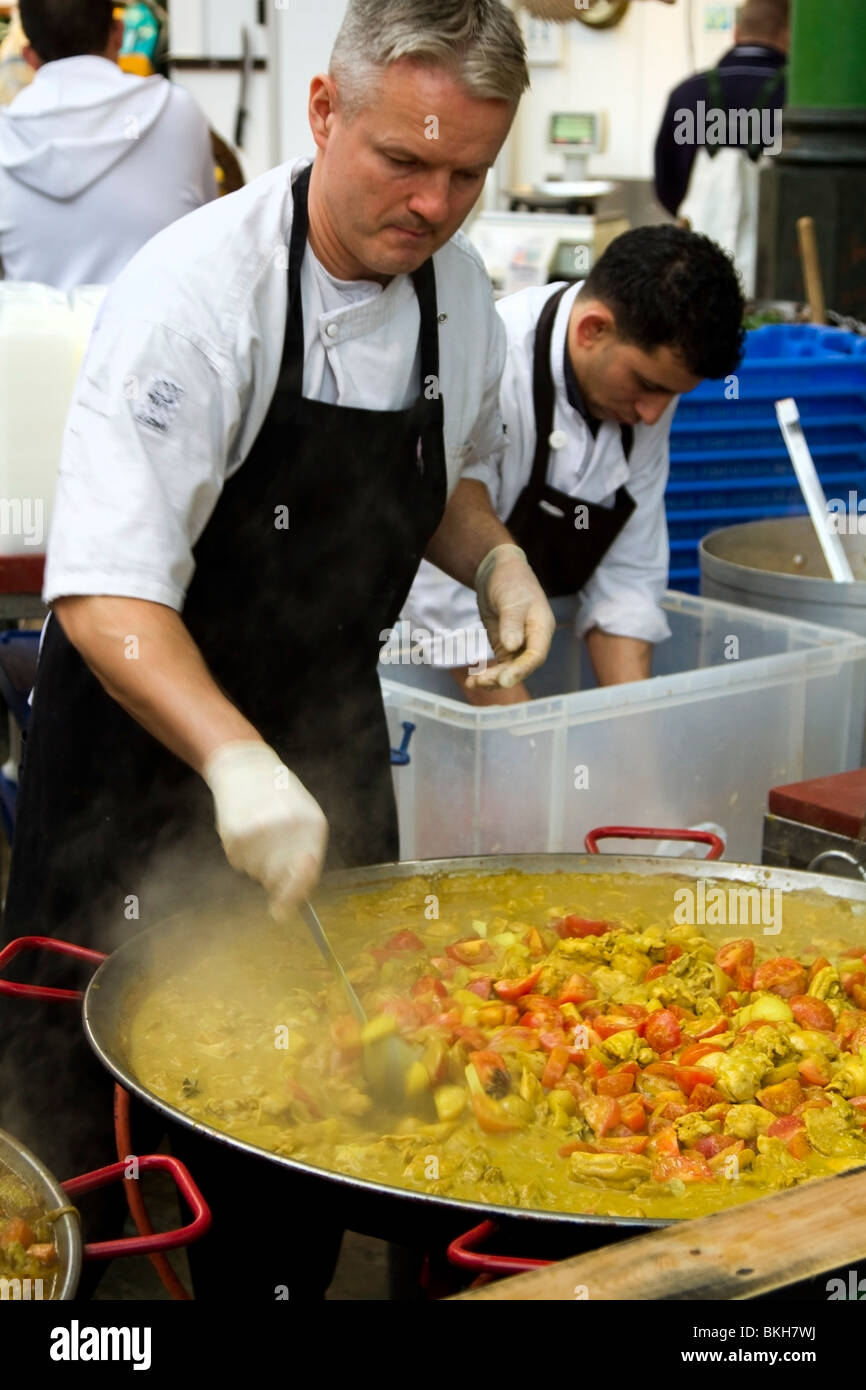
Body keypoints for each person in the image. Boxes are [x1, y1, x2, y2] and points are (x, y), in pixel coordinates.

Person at [0, 0, 554, 1299]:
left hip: (325, 734)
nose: (432, 203)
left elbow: (430, 485)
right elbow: (105, 588)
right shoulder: (199, 293)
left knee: (314, 1084)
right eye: (401, 162)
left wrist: (492, 558)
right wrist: (232, 763)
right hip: (137, 762)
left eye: (465, 173)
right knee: (75, 1113)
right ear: (322, 113)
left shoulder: (457, 293)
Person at [405, 226, 745, 703]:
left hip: (525, 655)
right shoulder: (491, 361)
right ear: (592, 330)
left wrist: (636, 750)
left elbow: (627, 581)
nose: (653, 413)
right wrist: (541, 754)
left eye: (671, 395)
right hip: (410, 662)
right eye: (647, 385)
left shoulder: (642, 397)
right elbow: (446, 603)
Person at [0, 0, 217, 288]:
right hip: (154, 329)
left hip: (34, 332)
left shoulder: (6, 135)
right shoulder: (177, 112)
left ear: (29, 56)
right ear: (118, 32)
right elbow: (214, 237)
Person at [654, 0, 789, 294]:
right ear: (788, 35)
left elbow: (668, 186)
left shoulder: (686, 94)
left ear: (736, 33)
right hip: (778, 270)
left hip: (693, 264)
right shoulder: (795, 97)